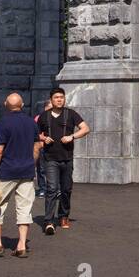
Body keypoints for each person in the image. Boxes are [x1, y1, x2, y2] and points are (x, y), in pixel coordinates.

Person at [0, 92, 40, 258]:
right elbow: (37, 147)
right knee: (24, 208)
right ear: (22, 105)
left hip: (6, 172)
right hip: (26, 171)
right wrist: (31, 164)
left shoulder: (3, 123)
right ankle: (21, 245)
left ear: (6, 105)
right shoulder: (31, 123)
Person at [37, 88, 89, 234]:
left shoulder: (71, 114)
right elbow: (35, 133)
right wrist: (43, 138)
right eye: (56, 97)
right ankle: (48, 221)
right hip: (50, 158)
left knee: (66, 189)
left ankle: (63, 215)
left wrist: (72, 136)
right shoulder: (44, 116)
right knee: (52, 189)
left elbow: (85, 128)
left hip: (66, 158)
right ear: (51, 100)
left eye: (61, 97)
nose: (59, 99)